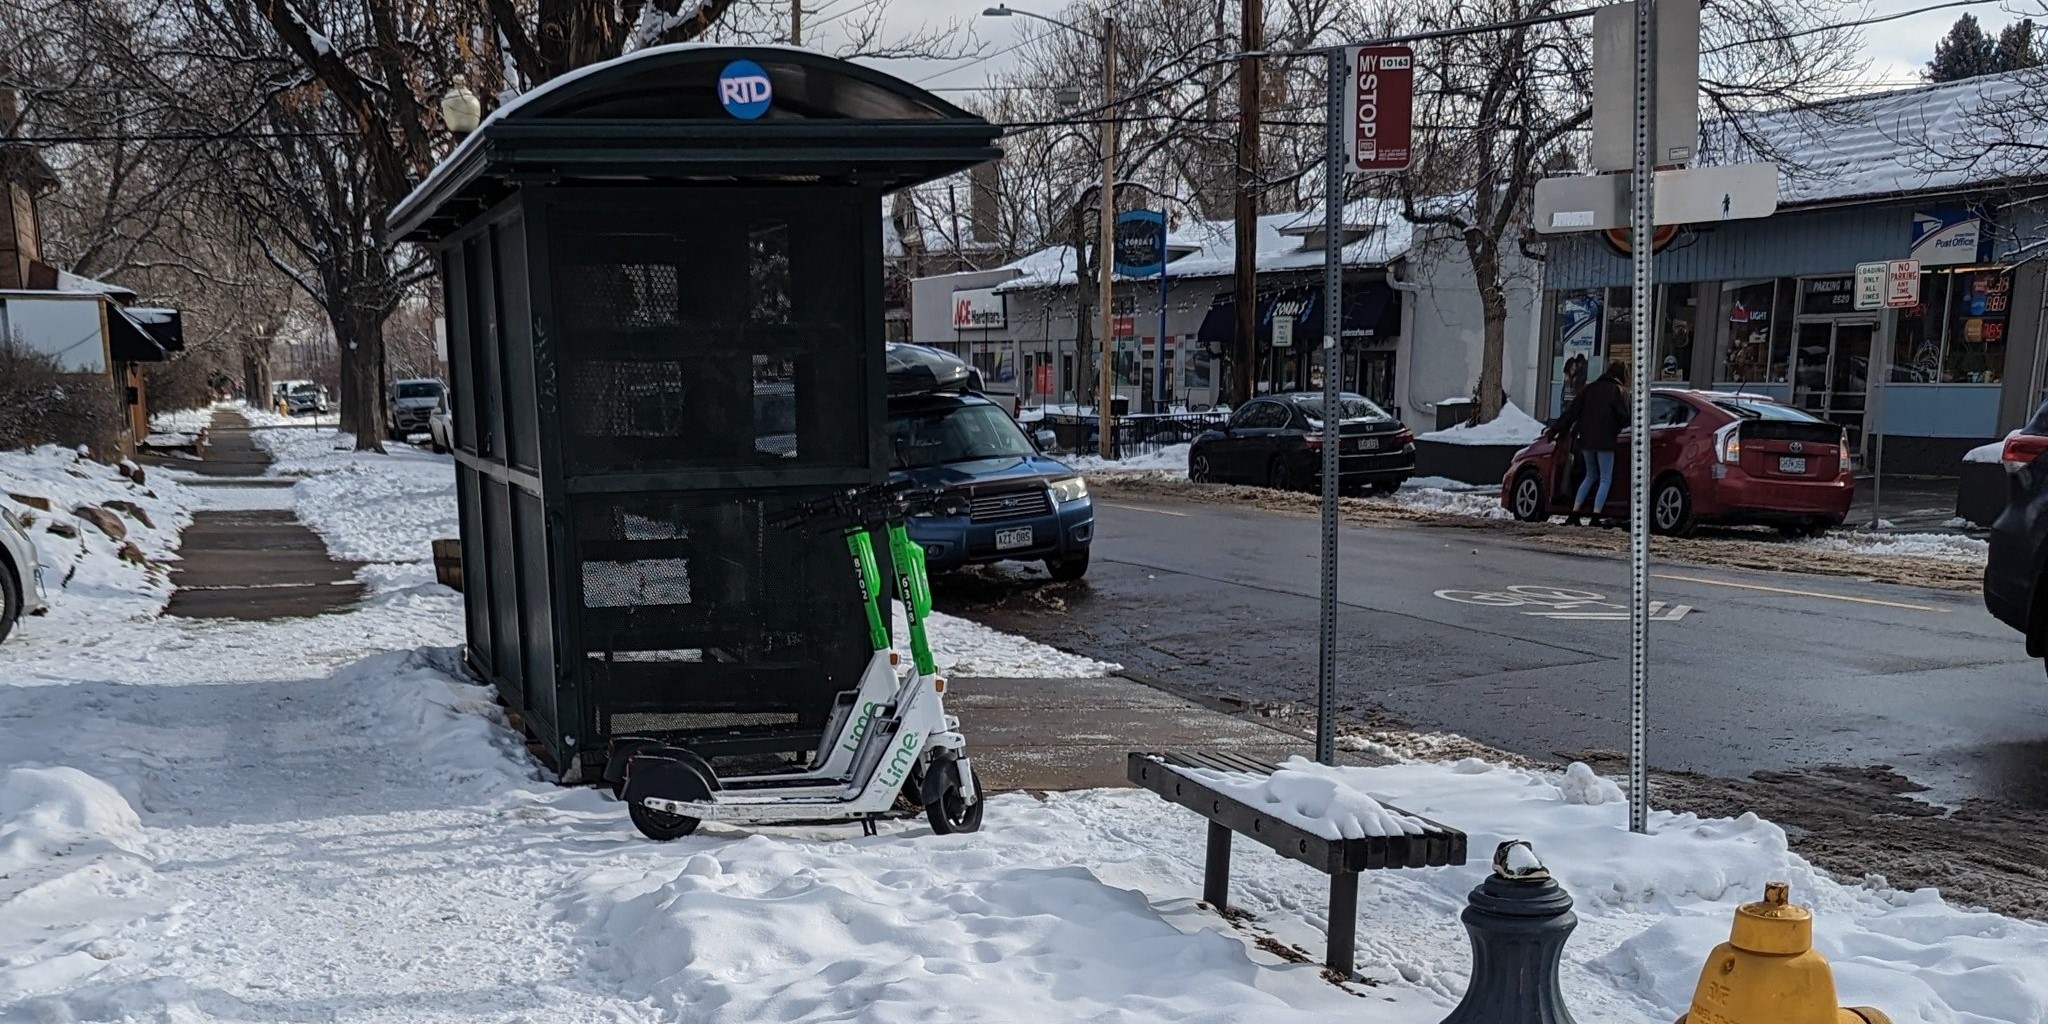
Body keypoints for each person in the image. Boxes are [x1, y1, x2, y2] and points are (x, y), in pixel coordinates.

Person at [1549, 360, 1629, 526]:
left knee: (1590, 475)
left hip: (1585, 441)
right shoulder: (1617, 391)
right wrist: (1615, 427)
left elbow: (1571, 412)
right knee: (1605, 478)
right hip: (1606, 441)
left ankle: (1575, 512)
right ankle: (1596, 515)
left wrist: (1554, 430)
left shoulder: (1590, 389)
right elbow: (1624, 417)